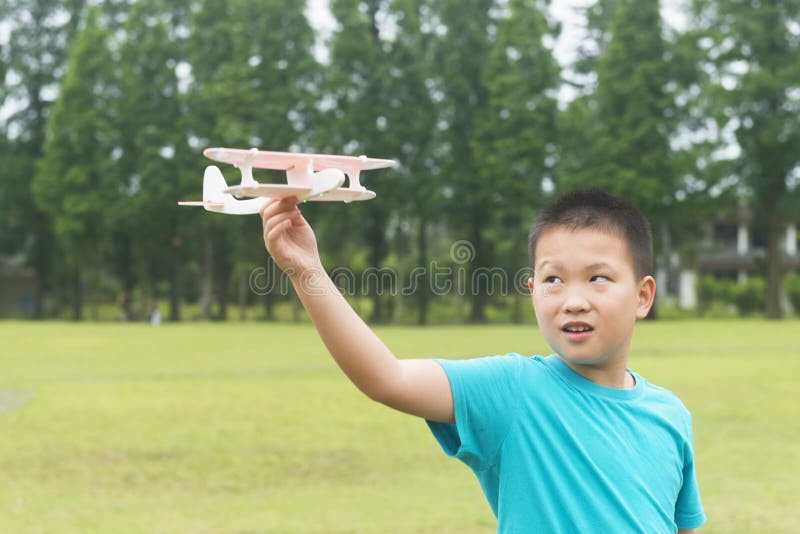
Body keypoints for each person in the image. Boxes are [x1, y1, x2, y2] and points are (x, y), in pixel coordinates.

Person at [259, 189, 706, 533]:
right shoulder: (512, 390)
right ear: (533, 292)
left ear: (643, 295)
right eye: (553, 279)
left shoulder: (669, 415)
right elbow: (386, 378)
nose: (574, 301)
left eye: (598, 279)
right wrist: (307, 271)